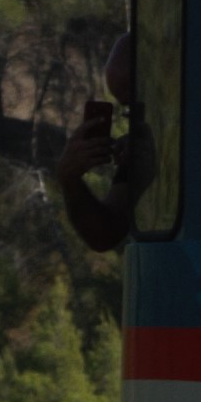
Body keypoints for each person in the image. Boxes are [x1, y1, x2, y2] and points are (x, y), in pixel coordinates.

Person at [51, 32, 149, 250]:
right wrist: (70, 181)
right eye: (130, 111)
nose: (137, 121)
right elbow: (104, 234)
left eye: (138, 107)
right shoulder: (139, 150)